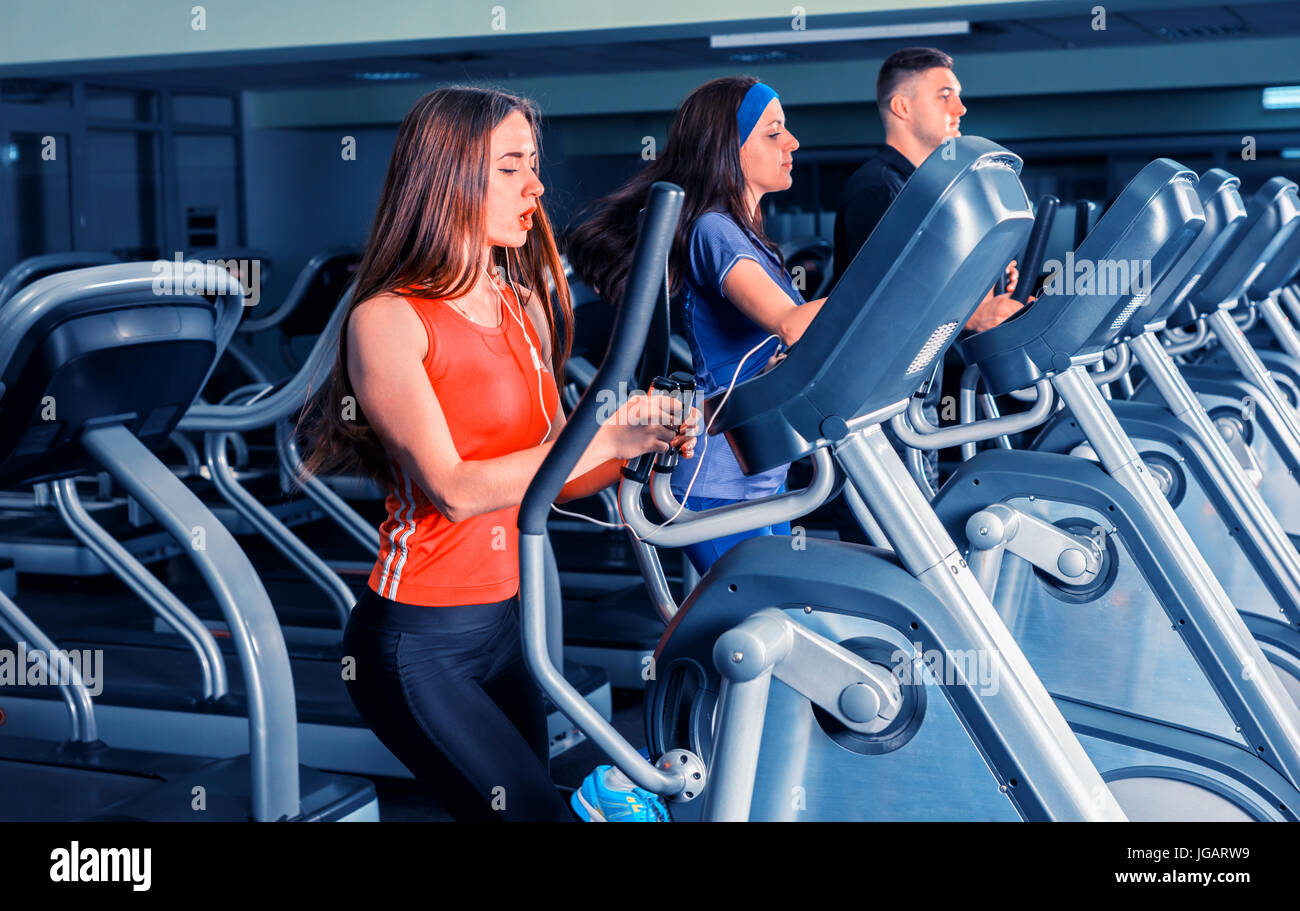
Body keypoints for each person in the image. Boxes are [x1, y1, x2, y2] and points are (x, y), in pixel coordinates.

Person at [295, 86, 698, 822]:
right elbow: (453, 488)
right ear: (448, 176)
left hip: (512, 626)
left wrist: (641, 444)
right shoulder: (388, 320)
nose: (537, 186)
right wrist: (607, 434)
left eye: (534, 165)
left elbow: (552, 478)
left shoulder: (523, 303)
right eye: (511, 167)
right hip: (419, 643)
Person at [568, 76, 823, 575]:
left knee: (759, 631)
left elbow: (775, 344)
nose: (791, 143)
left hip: (756, 475)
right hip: (716, 480)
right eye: (773, 133)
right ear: (731, 149)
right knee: (751, 630)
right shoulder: (714, 228)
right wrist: (902, 282)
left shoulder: (748, 236)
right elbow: (793, 324)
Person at [833, 47, 1023, 488]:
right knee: (888, 543)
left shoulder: (923, 193)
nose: (960, 108)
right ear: (902, 106)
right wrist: (972, 316)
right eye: (944, 96)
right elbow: (887, 303)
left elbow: (931, 282)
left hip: (916, 399)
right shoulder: (878, 189)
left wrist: (981, 283)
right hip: (876, 407)